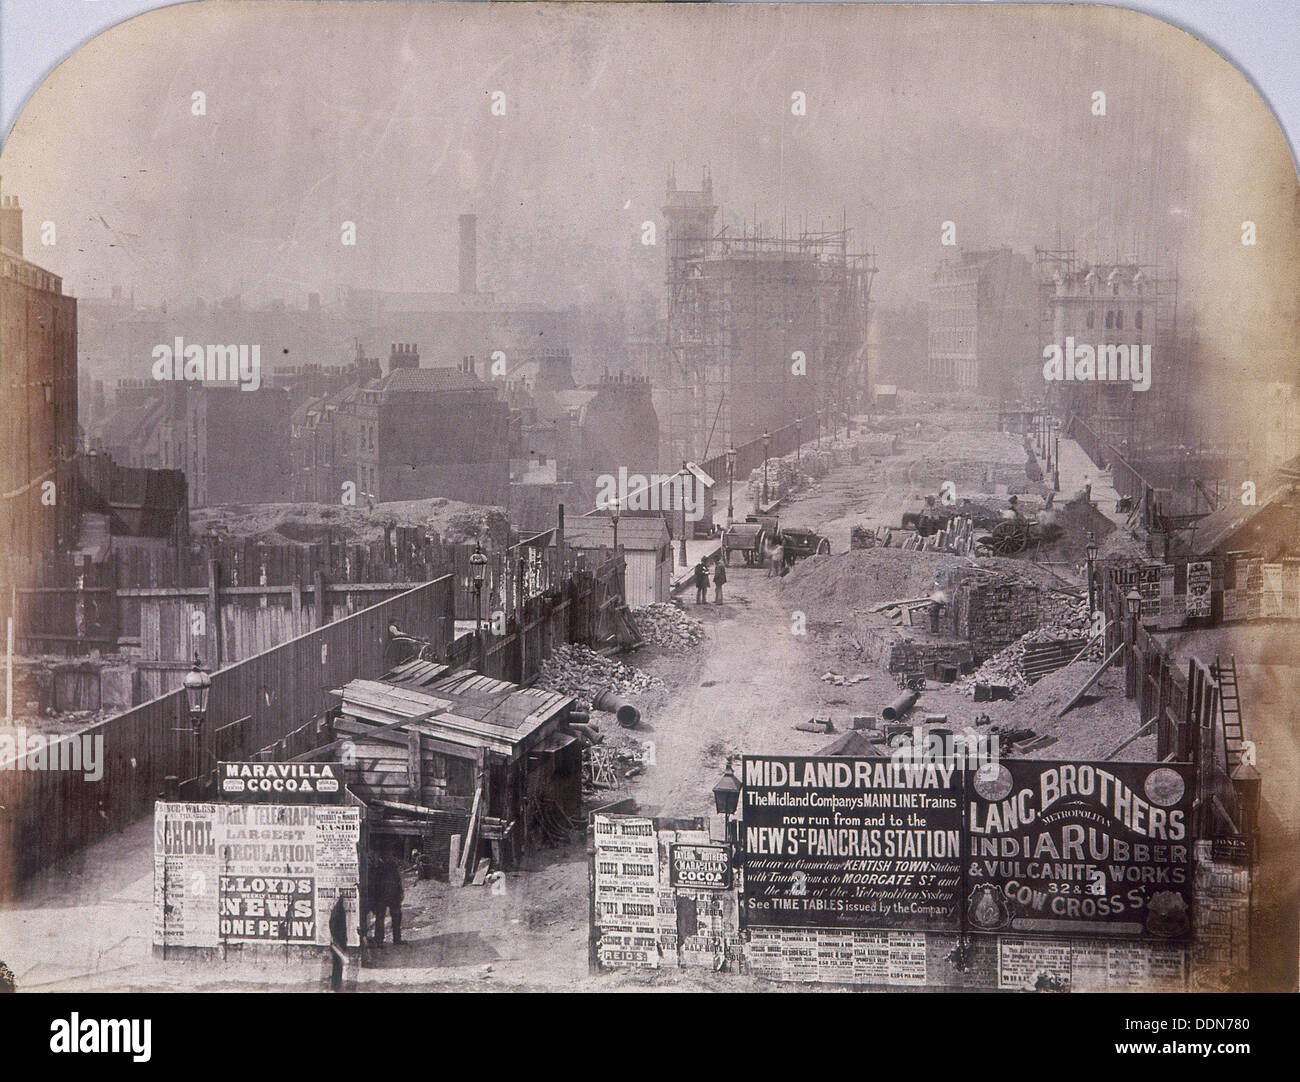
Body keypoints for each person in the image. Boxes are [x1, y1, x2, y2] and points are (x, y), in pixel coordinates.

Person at [368, 848, 404, 946]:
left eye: (390, 854)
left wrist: (400, 892)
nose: (389, 856)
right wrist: (373, 899)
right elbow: (374, 885)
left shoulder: (393, 866)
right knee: (380, 918)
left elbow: (398, 881)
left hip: (394, 896)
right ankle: (379, 940)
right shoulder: (377, 868)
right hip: (381, 896)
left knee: (396, 917)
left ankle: (397, 939)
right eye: (387, 854)